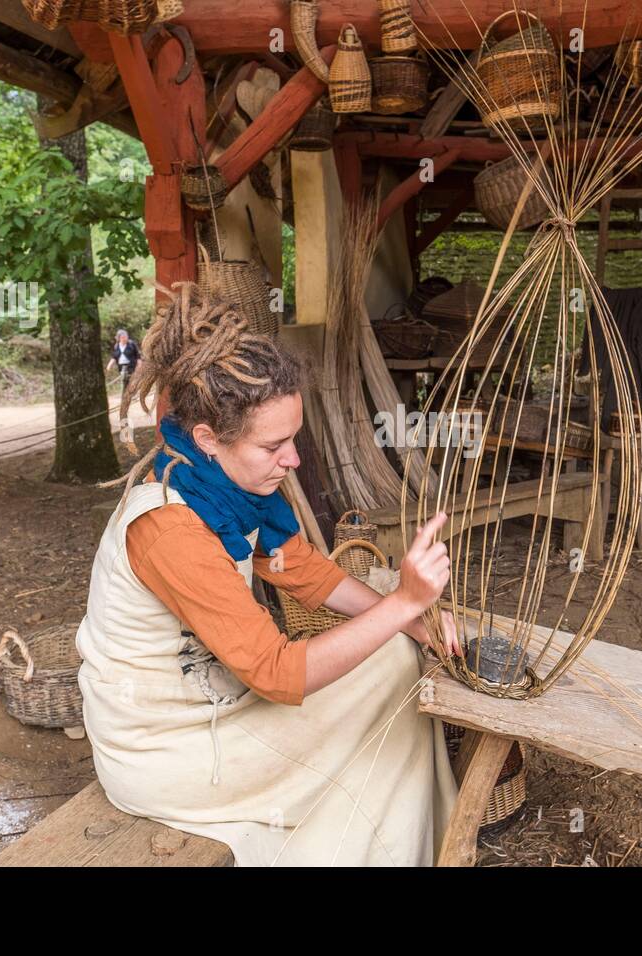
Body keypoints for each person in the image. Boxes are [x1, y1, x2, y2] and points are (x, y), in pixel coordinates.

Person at [76, 294, 461, 866]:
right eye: (273, 446)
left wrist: (417, 620)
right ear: (208, 438)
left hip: (208, 707)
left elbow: (302, 572)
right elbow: (278, 674)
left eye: (293, 440)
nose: (293, 461)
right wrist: (402, 605)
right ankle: (370, 849)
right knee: (390, 670)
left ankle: (383, 846)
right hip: (162, 745)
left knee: (397, 659)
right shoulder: (169, 529)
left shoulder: (222, 487)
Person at [105, 329, 141, 395]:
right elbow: (114, 357)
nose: (125, 339)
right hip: (121, 366)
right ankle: (125, 395)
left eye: (126, 337)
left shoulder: (131, 344)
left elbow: (137, 355)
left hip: (131, 365)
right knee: (124, 380)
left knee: (131, 380)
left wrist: (139, 364)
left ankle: (130, 394)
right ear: (119, 338)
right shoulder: (117, 346)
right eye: (123, 337)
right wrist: (109, 365)